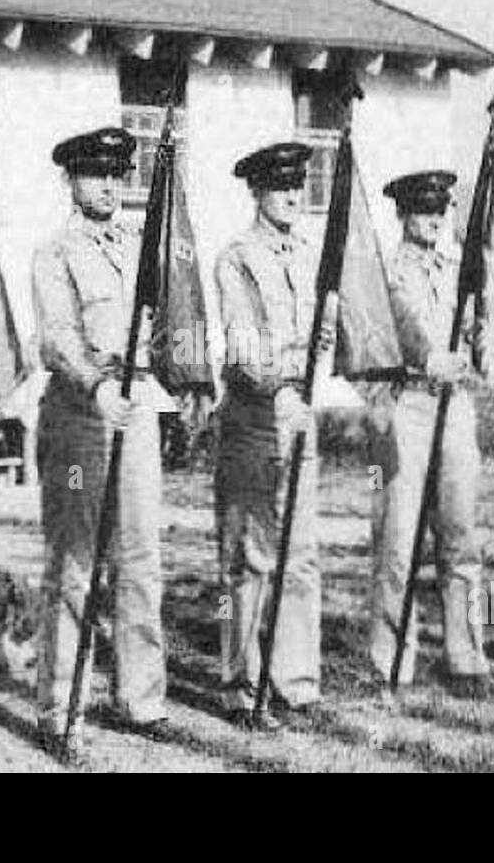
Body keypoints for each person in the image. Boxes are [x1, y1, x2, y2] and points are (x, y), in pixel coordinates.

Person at [31, 126, 170, 752]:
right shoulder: (56, 252)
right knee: (76, 563)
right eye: (95, 173)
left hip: (136, 409)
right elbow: (58, 338)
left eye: (117, 172)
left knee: (140, 558)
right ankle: (61, 708)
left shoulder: (142, 246)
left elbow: (168, 324)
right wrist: (95, 386)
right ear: (71, 180)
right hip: (82, 414)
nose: (109, 184)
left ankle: (141, 698)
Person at [366, 170, 494, 695]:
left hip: (457, 406)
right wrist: (431, 356)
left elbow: (474, 328)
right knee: (398, 540)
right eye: (424, 211)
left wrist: (482, 340)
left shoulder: (458, 267)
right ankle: (392, 659)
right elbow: (402, 327)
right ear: (403, 214)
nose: (434, 220)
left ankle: (465, 655)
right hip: (408, 404)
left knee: (461, 535)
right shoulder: (387, 270)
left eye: (441, 211)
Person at [215, 142, 333, 729]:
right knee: (251, 556)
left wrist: (313, 367)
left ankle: (296, 682)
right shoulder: (236, 258)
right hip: (254, 416)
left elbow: (326, 331)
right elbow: (242, 341)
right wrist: (283, 381)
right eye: (279, 185)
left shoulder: (313, 256)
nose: (292, 195)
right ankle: (242, 684)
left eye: (298, 184)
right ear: (256, 192)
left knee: (300, 554)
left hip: (298, 414)